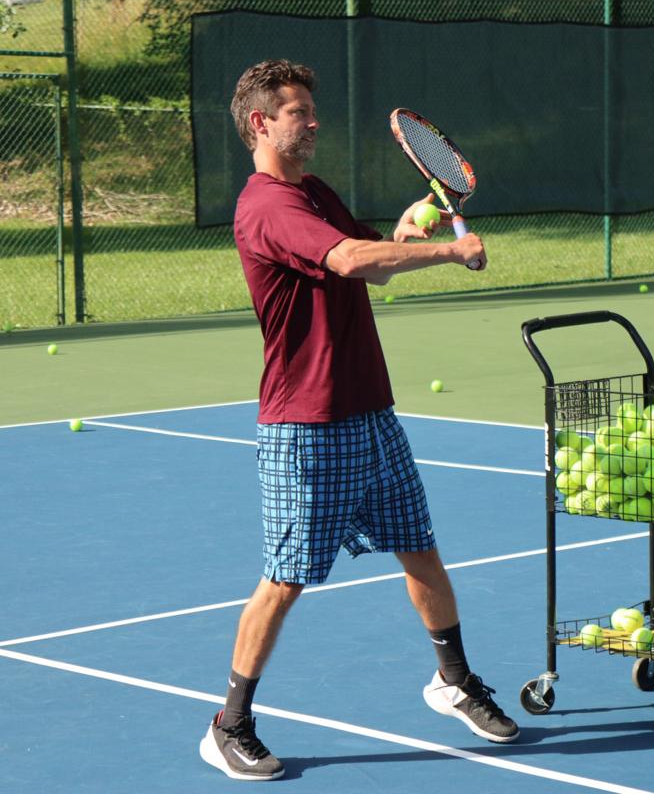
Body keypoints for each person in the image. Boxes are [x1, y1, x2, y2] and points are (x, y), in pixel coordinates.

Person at [198, 59, 518, 782]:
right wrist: (450, 250)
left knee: (419, 549)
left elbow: (374, 264)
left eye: (311, 110)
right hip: (306, 425)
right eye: (298, 112)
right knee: (285, 579)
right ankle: (229, 725)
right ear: (261, 123)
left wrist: (408, 230)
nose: (313, 121)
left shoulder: (314, 192)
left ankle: (454, 681)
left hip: (370, 412)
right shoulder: (267, 205)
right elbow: (345, 259)